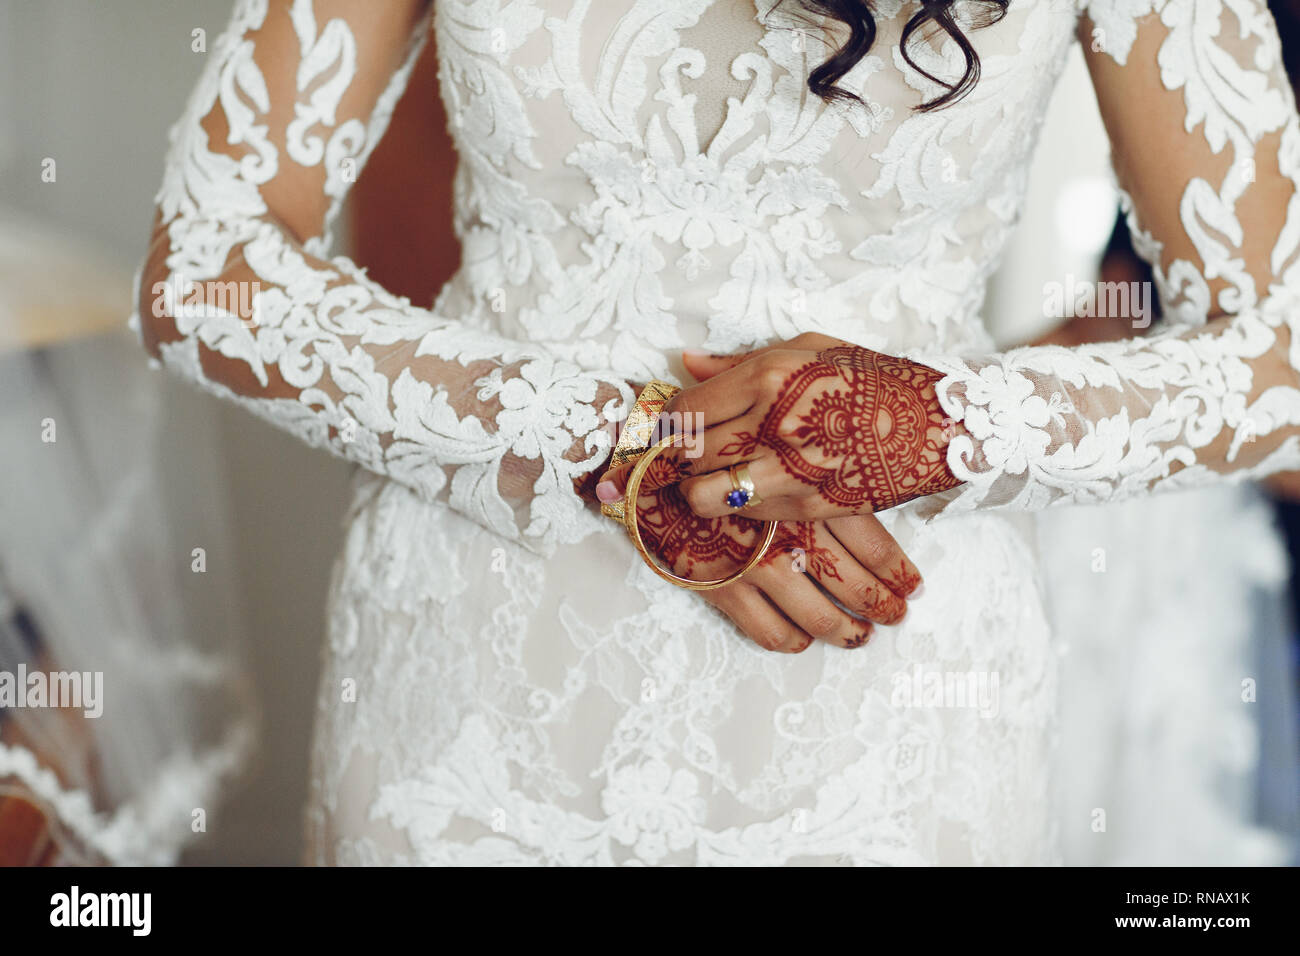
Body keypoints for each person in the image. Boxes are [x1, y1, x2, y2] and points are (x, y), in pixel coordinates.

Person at [136, 0, 1300, 864]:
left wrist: (945, 426)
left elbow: (1284, 351)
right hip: (476, 682)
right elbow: (201, 270)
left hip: (887, 703)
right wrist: (607, 439)